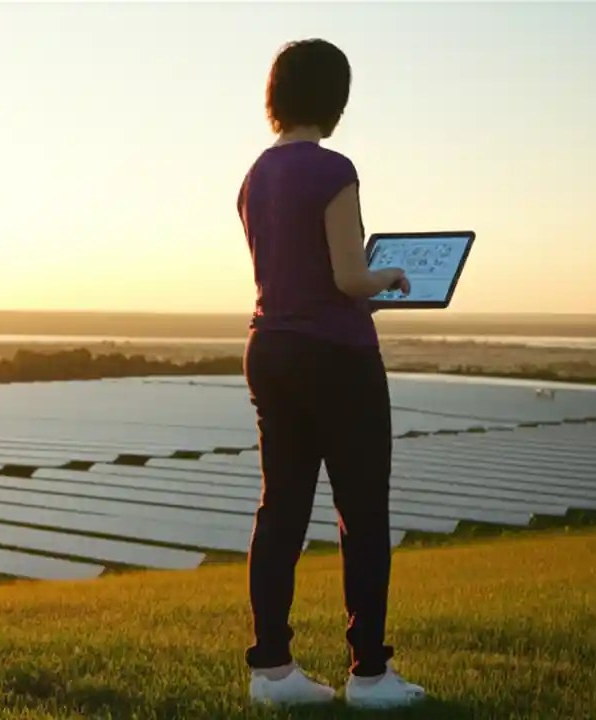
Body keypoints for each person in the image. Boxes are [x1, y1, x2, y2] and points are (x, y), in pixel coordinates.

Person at [236, 39, 426, 710]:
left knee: (280, 511)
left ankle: (272, 670)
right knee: (362, 514)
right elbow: (349, 277)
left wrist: (355, 284)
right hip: (337, 358)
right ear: (335, 98)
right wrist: (391, 275)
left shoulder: (255, 175)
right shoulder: (333, 169)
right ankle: (369, 674)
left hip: (270, 349)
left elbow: (297, 275)